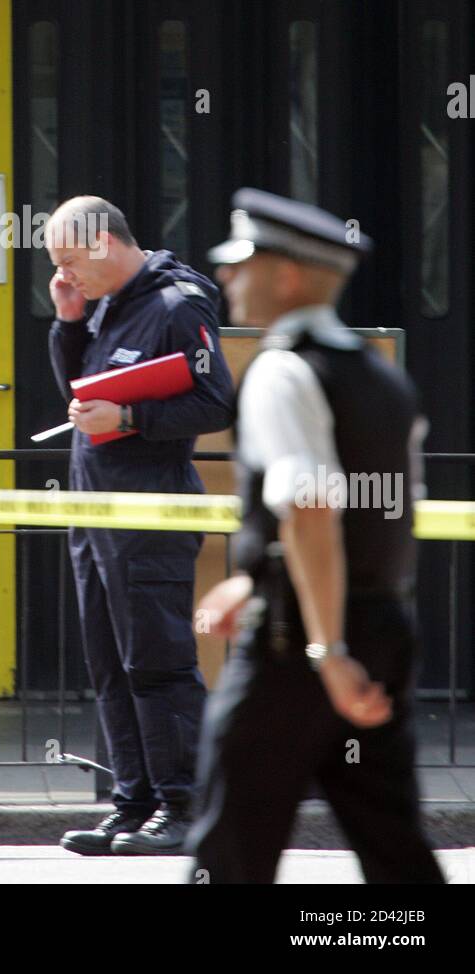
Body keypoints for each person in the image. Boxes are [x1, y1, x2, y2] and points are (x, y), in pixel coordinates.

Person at [186, 188, 444, 884]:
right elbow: (385, 514)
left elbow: (311, 509)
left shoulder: (279, 371)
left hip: (295, 643)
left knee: (229, 847)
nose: (225, 279)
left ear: (287, 275)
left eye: (241, 264)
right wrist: (260, 572)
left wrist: (325, 651)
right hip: (381, 622)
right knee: (390, 841)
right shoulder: (382, 381)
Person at [45, 196, 234, 855]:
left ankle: (182, 808)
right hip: (95, 512)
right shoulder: (101, 304)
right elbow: (80, 393)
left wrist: (129, 422)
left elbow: (213, 401)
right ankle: (134, 804)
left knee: (158, 661)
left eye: (70, 261)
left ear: (103, 242)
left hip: (150, 513)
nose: (65, 276)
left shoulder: (178, 305)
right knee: (109, 663)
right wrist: (68, 322)